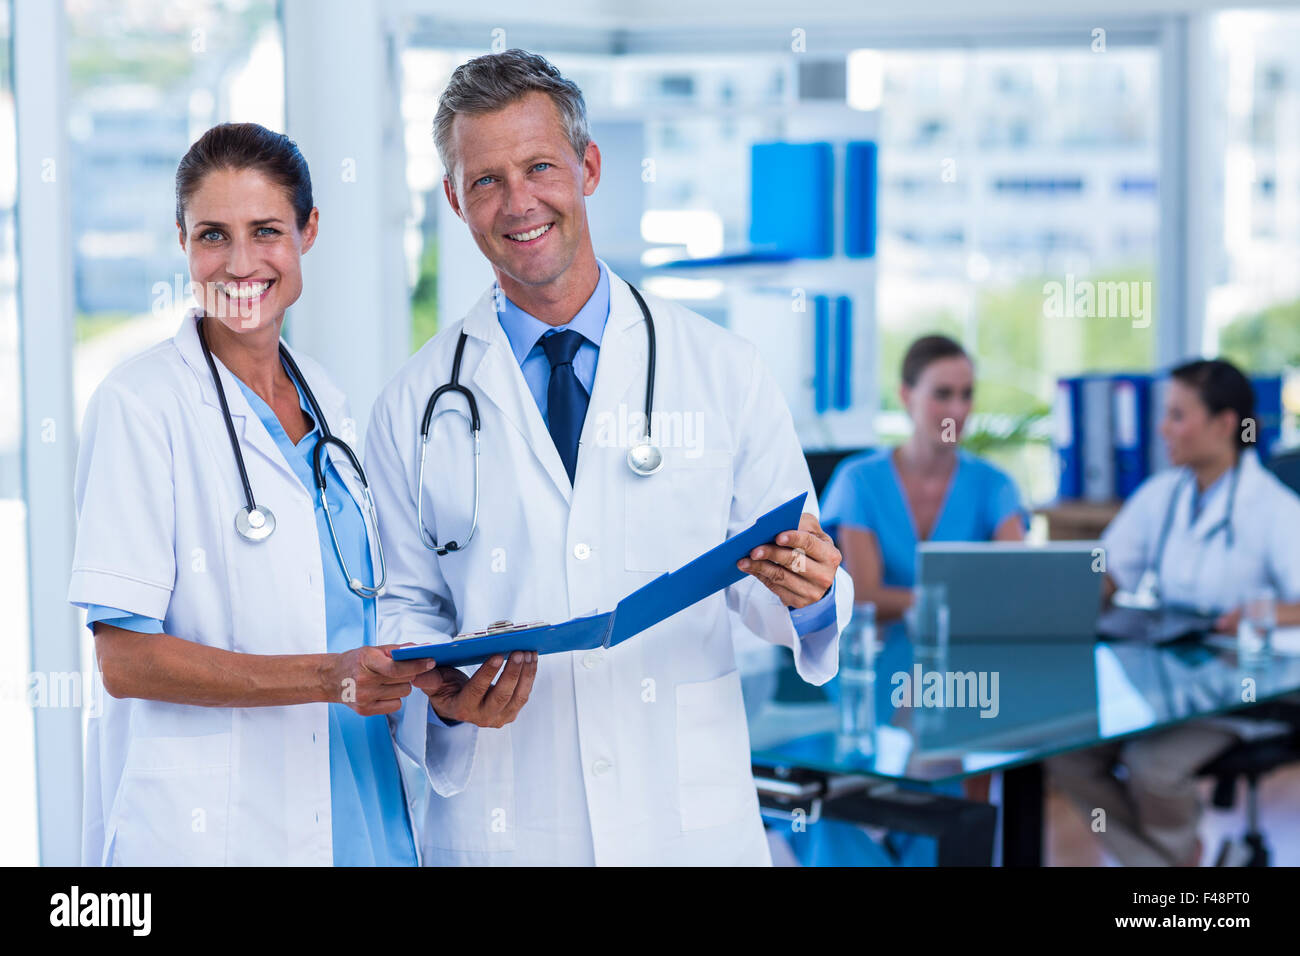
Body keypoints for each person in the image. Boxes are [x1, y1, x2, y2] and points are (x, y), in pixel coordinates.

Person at [363, 49, 853, 866]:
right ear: (454, 198)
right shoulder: (413, 405)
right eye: (486, 180)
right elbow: (404, 611)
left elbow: (786, 587)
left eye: (540, 166)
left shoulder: (722, 370)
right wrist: (447, 709)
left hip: (684, 827)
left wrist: (809, 593)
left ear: (588, 167)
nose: (519, 202)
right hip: (510, 826)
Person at [68, 122, 535, 866]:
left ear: (308, 231)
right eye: (213, 235)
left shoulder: (328, 401)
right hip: (221, 830)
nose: (241, 263)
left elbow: (363, 611)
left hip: (362, 808)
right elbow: (126, 659)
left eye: (267, 230)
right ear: (182, 242)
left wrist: (445, 681)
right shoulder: (141, 403)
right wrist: (327, 677)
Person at [783, 334, 1027, 865]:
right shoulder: (861, 480)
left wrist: (928, 602)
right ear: (907, 395)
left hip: (960, 671)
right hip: (871, 668)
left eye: (966, 394)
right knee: (861, 788)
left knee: (955, 768)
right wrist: (950, 597)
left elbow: (1016, 583)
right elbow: (865, 595)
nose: (957, 410)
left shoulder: (994, 485)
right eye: (943, 393)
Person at [1049, 358, 1300, 866]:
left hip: (1243, 693)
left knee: (1151, 767)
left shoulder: (1273, 509)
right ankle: (1180, 867)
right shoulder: (1163, 494)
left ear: (1225, 424)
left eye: (1177, 416)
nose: (1163, 428)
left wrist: (1259, 611)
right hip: (1167, 685)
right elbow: (1109, 572)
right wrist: (1053, 598)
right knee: (1065, 749)